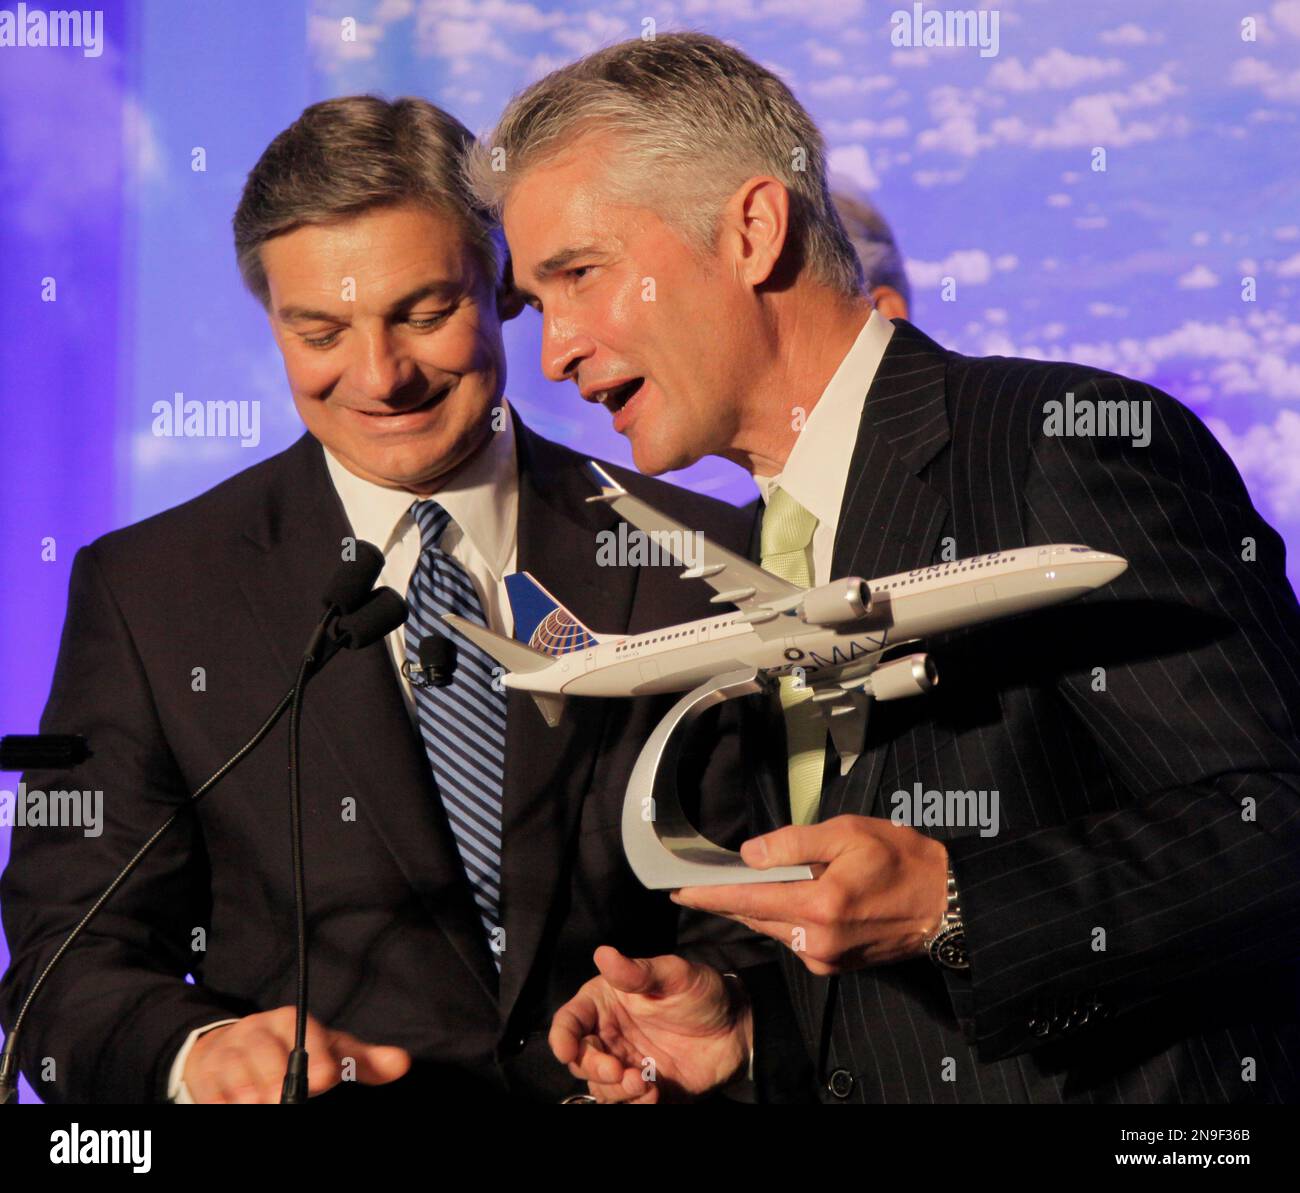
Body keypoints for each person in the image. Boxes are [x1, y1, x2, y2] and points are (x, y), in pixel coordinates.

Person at [468, 31, 1300, 1103]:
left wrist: (956, 901)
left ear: (753, 230)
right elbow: (874, 948)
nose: (554, 351)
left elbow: (1275, 822)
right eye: (538, 305)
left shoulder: (1057, 441)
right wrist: (749, 1028)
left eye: (579, 276)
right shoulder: (764, 539)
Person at [0, 95, 766, 1104]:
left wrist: (719, 1013)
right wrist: (197, 1055)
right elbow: (66, 961)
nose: (380, 374)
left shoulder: (699, 555)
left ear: (499, 285)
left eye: (422, 312)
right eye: (320, 328)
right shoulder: (150, 591)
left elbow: (768, 899)